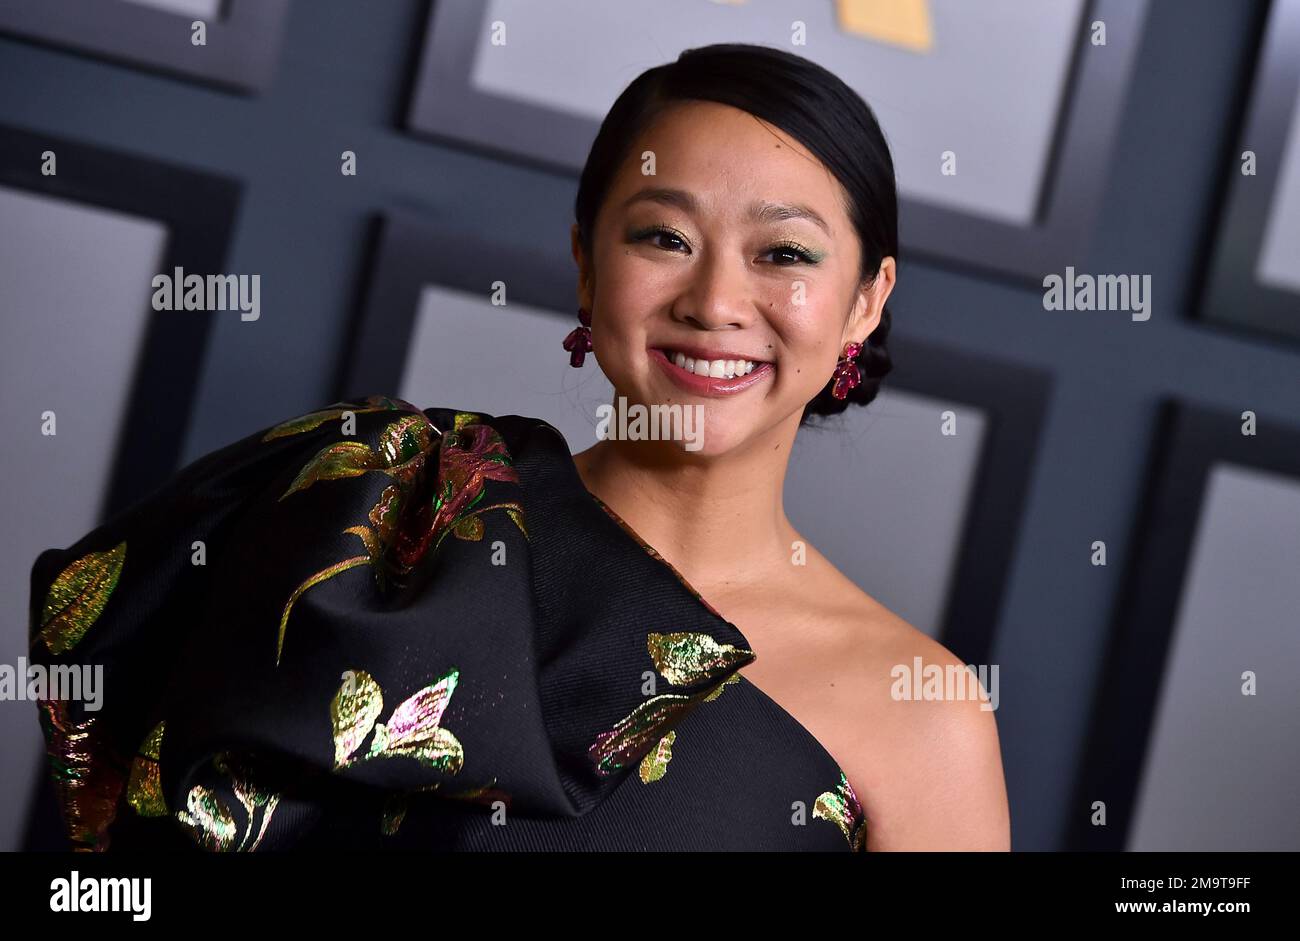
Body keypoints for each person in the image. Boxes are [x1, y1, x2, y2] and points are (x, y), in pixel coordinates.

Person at [27, 43, 1008, 852]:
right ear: (585, 263)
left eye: (784, 253)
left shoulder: (923, 717)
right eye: (663, 238)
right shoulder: (383, 519)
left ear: (864, 302)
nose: (713, 303)